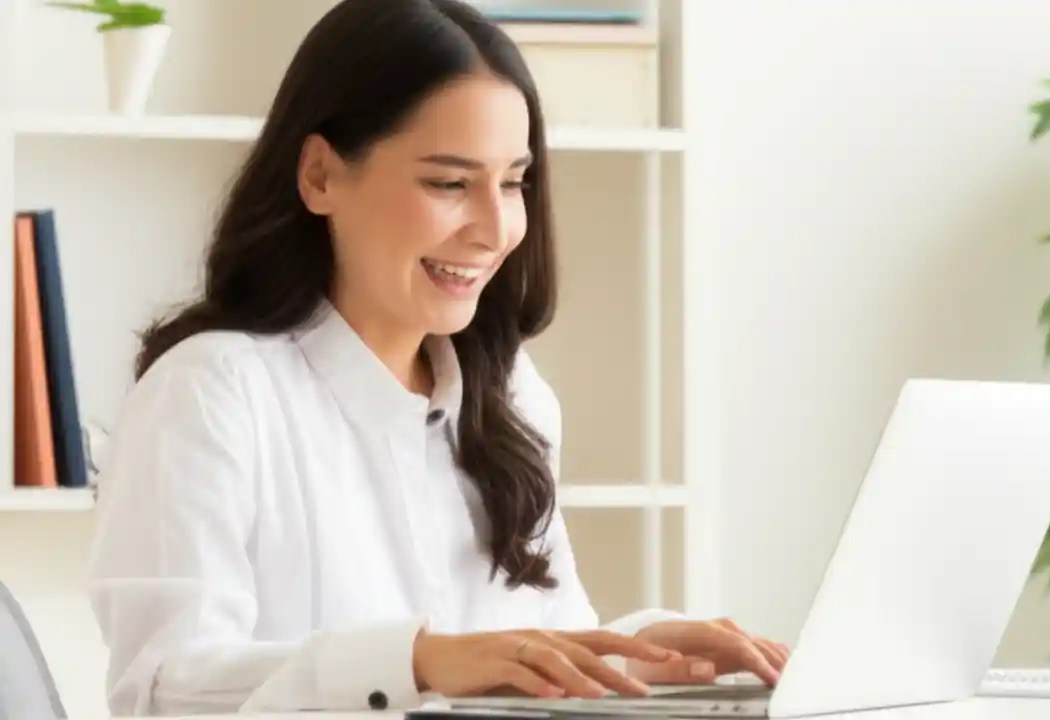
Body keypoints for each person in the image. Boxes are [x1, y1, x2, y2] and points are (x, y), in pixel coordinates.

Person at [85, 0, 788, 715]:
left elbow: (538, 651)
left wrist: (655, 652)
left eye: (513, 182)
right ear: (321, 175)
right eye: (449, 183)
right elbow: (163, 693)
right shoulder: (209, 394)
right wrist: (415, 662)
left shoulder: (509, 396)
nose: (494, 228)